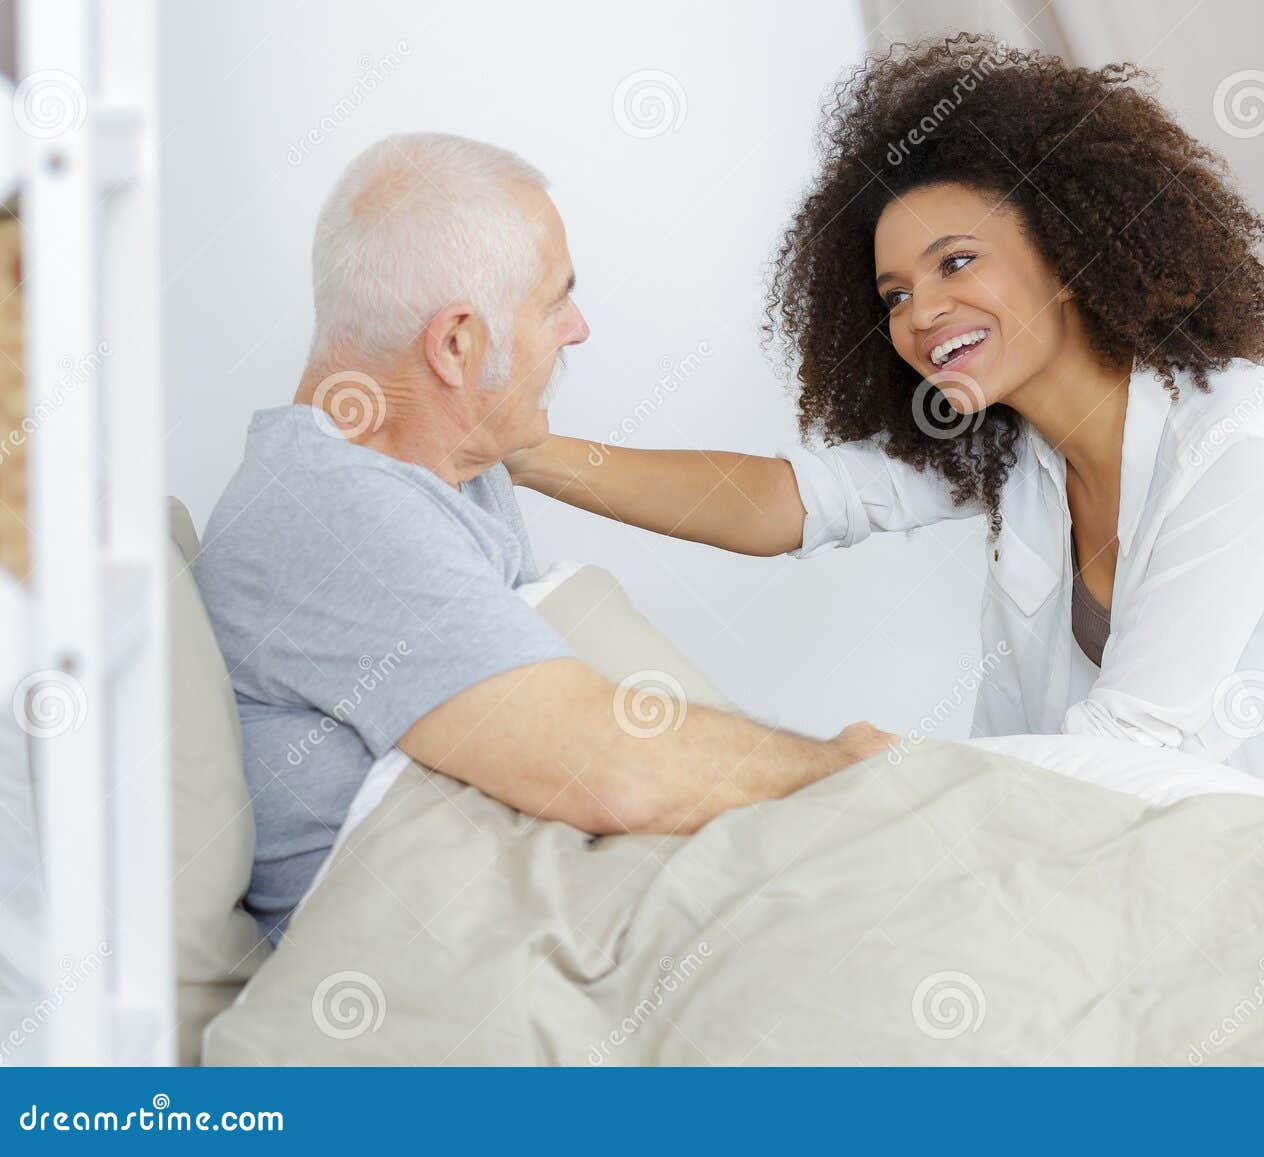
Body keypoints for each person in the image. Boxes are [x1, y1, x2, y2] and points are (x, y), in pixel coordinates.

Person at [508, 37, 1264, 838]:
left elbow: (1131, 748)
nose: (923, 312)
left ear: (1066, 250)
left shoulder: (1238, 443)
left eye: (956, 261)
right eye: (895, 295)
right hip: (1213, 899)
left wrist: (883, 776)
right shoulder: (1015, 447)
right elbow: (794, 500)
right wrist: (521, 450)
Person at [195, 134, 893, 941]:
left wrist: (508, 441)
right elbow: (618, 769)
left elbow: (759, 500)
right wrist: (840, 769)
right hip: (434, 982)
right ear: (456, 344)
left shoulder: (439, 463)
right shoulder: (337, 513)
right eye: (556, 299)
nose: (580, 327)